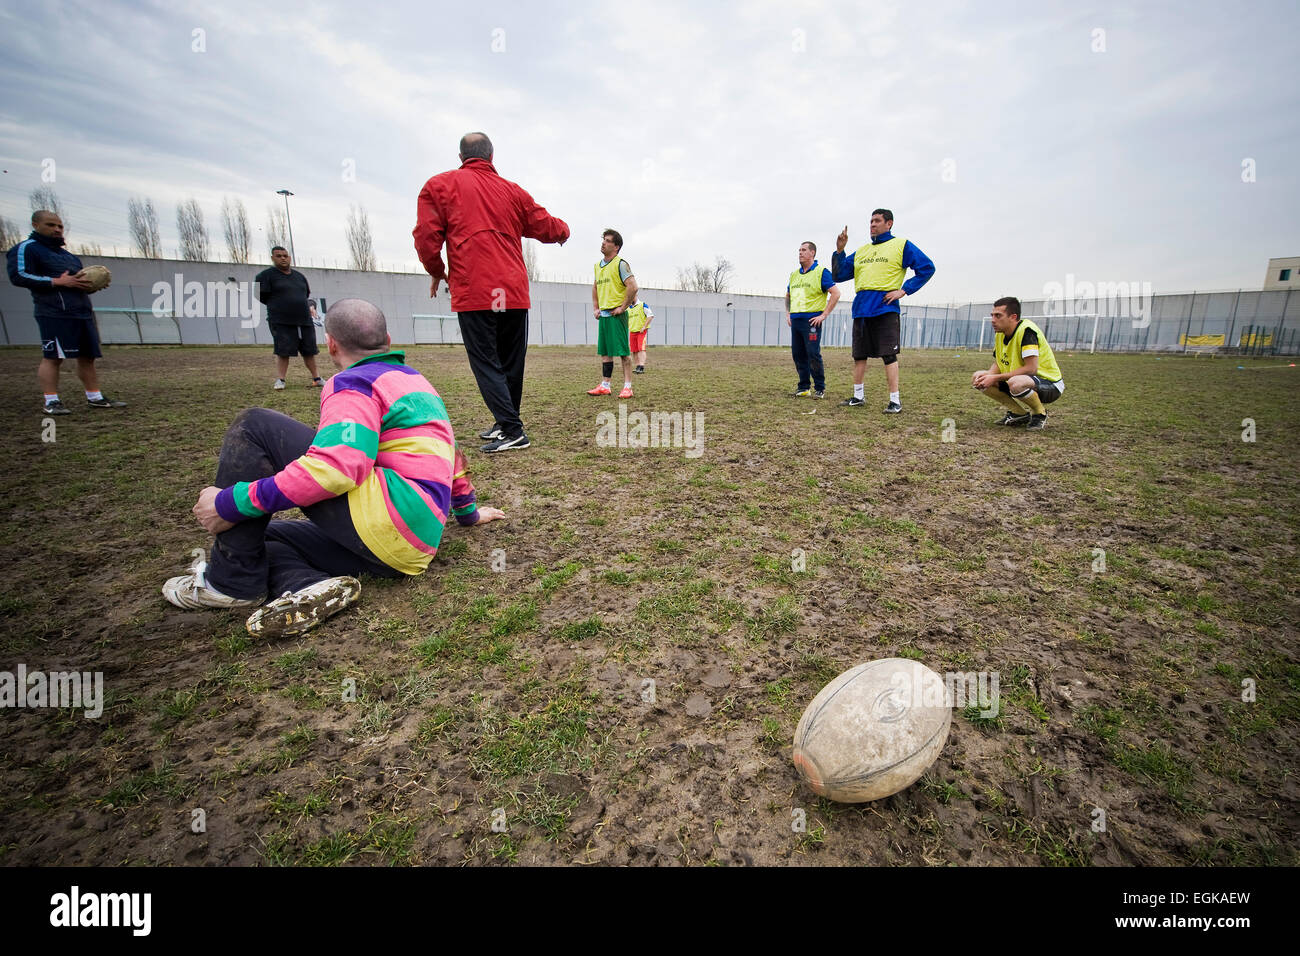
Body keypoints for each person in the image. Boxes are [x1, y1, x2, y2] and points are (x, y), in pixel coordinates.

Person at [163, 298, 506, 637]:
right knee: (258, 534)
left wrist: (229, 503)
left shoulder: (353, 383)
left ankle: (228, 584)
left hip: (386, 526)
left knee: (254, 425)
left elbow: (337, 468)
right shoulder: (418, 383)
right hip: (409, 548)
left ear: (330, 344)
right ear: (388, 342)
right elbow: (453, 456)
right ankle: (306, 585)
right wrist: (469, 514)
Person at [413, 131, 570, 452]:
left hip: (476, 290)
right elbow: (546, 224)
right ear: (491, 157)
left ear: (461, 158)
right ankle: (505, 422)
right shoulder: (512, 192)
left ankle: (512, 430)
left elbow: (427, 236)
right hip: (511, 290)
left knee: (486, 361)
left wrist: (437, 271)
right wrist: (563, 232)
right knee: (511, 361)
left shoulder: (439, 186)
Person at [6, 210, 126, 414]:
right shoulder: (27, 249)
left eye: (60, 226)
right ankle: (51, 401)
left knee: (88, 356)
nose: (57, 229)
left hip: (81, 311)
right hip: (53, 311)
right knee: (53, 357)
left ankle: (94, 397)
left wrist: (89, 285)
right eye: (51, 225)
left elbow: (74, 281)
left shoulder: (67, 256)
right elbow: (18, 276)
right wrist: (56, 281)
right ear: (35, 225)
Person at [831, 209, 935, 413]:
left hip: (885, 308)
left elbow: (927, 268)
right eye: (870, 221)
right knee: (859, 356)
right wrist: (840, 251)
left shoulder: (901, 245)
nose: (872, 225)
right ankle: (858, 396)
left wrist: (904, 290)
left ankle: (895, 401)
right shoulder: (862, 251)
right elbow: (839, 275)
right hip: (861, 309)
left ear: (889, 224)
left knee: (889, 355)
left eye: (877, 221)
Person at [972, 296, 1064, 430]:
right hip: (1020, 380)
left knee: (1016, 383)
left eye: (998, 316)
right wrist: (988, 378)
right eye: (992, 315)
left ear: (1013, 317)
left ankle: (1040, 413)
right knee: (978, 376)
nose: (993, 320)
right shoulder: (1000, 333)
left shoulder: (1027, 331)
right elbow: (999, 362)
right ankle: (1018, 413)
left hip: (1049, 384)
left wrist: (995, 378)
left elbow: (1031, 369)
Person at [255, 246, 323, 390]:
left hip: (304, 320)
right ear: (273, 258)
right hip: (281, 320)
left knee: (309, 350)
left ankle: (317, 378)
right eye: (279, 256)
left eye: (285, 255)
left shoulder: (299, 276)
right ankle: (281, 380)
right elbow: (259, 295)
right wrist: (280, 306)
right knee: (283, 350)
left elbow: (305, 295)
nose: (283, 258)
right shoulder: (265, 276)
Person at [786, 240, 840, 398]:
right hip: (796, 320)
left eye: (803, 250)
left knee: (812, 353)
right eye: (799, 250)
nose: (800, 253)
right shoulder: (794, 275)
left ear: (812, 253)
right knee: (798, 354)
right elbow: (788, 295)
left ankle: (820, 388)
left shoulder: (821, 272)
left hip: (811, 321)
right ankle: (803, 387)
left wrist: (823, 315)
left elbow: (836, 293)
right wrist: (788, 313)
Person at [588, 229, 638, 398]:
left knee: (623, 352)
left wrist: (623, 307)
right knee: (606, 352)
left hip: (617, 315)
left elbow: (633, 286)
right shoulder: (597, 266)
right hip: (604, 316)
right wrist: (596, 308)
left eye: (608, 241)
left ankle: (627, 387)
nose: (604, 243)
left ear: (616, 247)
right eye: (603, 239)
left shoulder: (621, 264)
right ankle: (605, 385)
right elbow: (595, 287)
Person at [627, 299, 654, 374]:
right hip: (632, 331)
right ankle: (637, 366)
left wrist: (644, 326)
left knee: (641, 348)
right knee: (634, 350)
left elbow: (650, 316)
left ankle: (641, 367)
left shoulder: (642, 305)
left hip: (641, 331)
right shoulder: (628, 308)